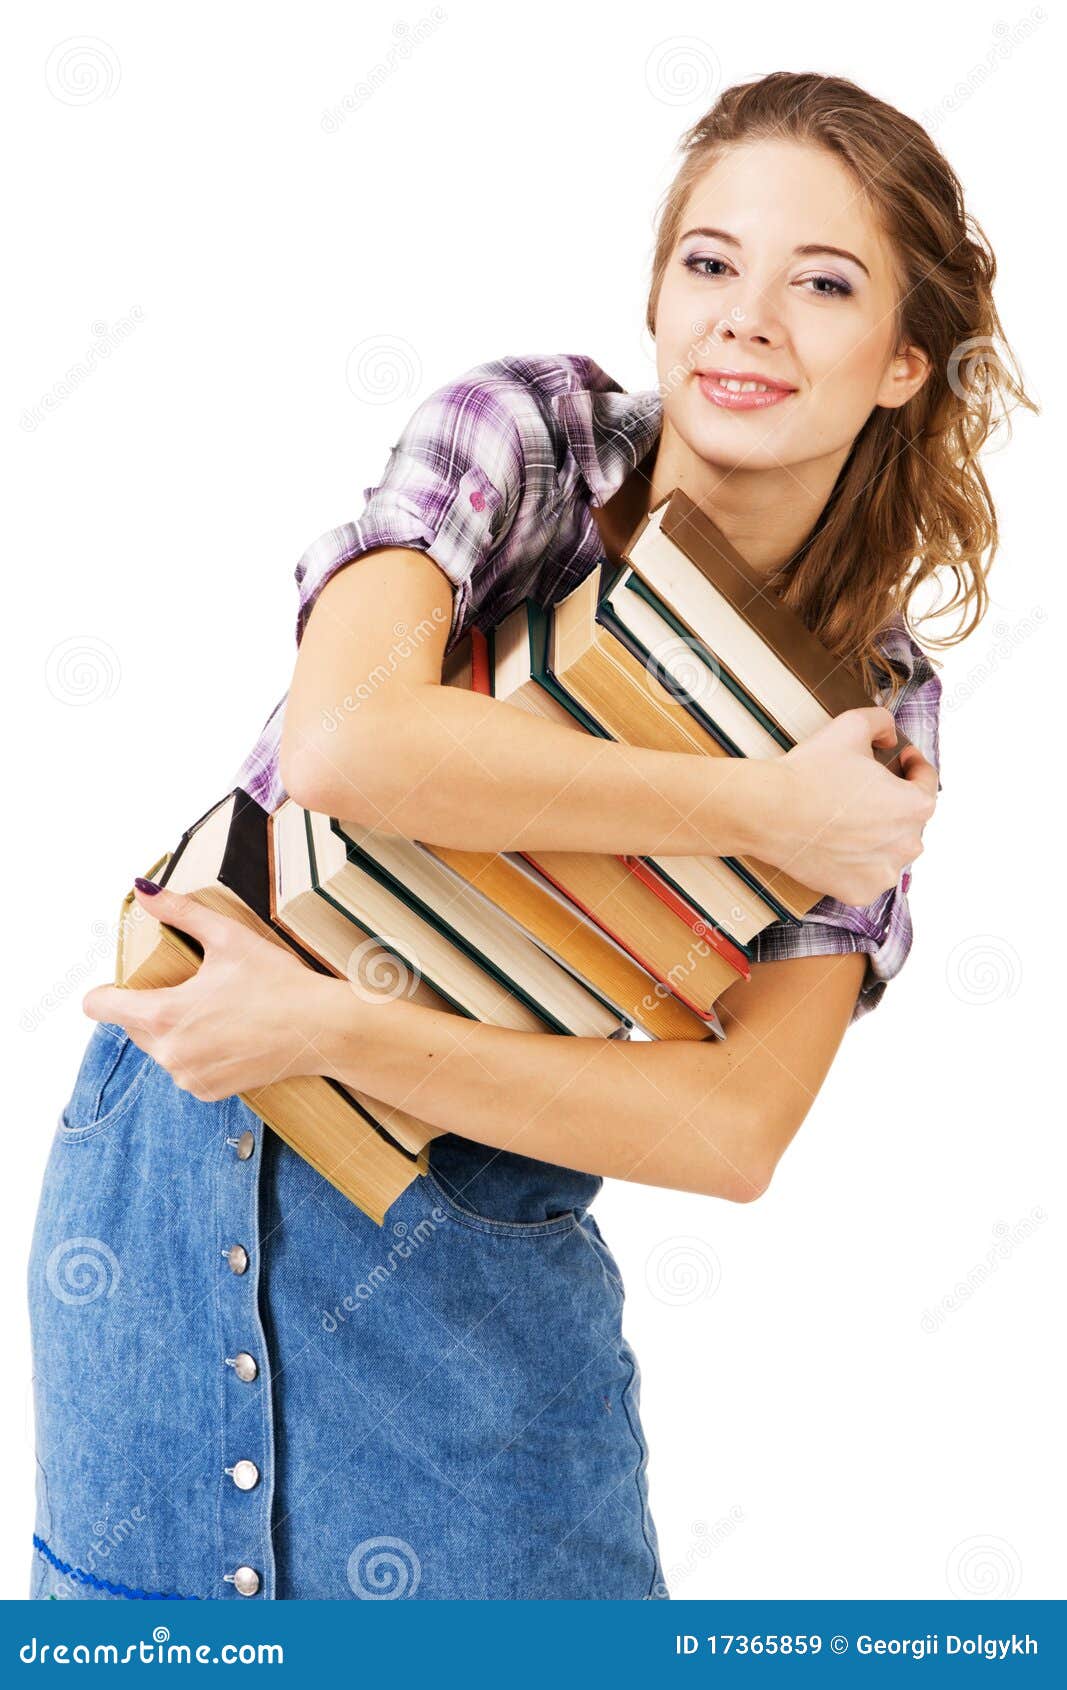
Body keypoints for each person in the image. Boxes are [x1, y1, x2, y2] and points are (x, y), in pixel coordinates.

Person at [27, 71, 1033, 1602]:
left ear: (903, 363)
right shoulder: (533, 440)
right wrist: (767, 809)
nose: (744, 319)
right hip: (173, 1148)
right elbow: (349, 740)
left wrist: (327, 1026)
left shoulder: (876, 699)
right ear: (656, 293)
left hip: (460, 1213)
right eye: (709, 262)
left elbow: (731, 1127)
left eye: (819, 285)